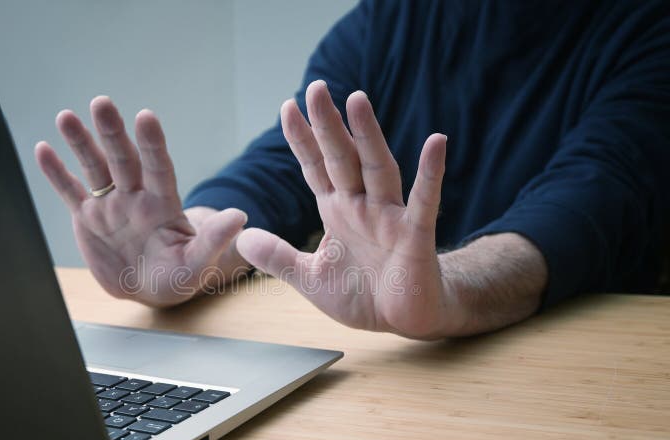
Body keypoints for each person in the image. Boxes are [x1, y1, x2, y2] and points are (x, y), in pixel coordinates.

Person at [35, 0, 670, 340]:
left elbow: (585, 212)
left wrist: (446, 289)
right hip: (397, 388)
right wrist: (188, 241)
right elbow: (292, 162)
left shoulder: (648, 30)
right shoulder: (389, 20)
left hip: (570, 384)